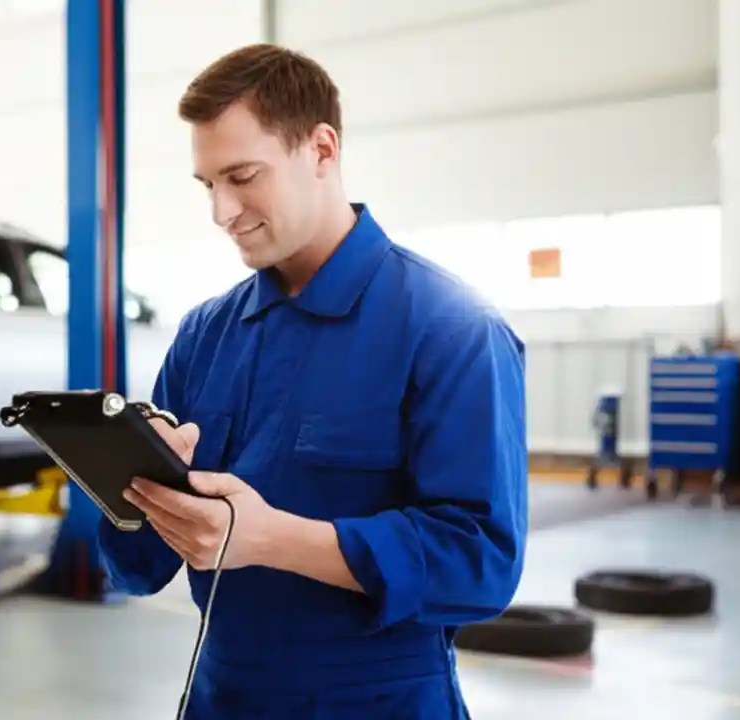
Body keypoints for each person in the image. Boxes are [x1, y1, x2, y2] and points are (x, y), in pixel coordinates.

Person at [96, 43, 528, 718]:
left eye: (243, 176)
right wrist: (132, 482)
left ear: (322, 150)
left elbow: (481, 565)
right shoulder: (205, 335)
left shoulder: (450, 326)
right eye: (208, 184)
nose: (222, 211)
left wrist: (270, 539)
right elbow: (137, 569)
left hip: (380, 698)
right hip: (223, 694)